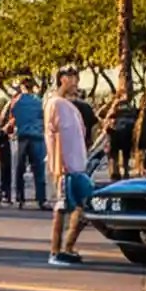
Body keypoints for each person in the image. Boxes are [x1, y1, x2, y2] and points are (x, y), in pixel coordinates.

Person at [45, 67, 90, 266]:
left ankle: (68, 247)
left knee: (85, 206)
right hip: (65, 167)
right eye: (73, 79)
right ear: (63, 79)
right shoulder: (55, 104)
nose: (76, 83)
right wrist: (60, 165)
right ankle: (55, 252)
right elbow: (53, 136)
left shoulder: (70, 106)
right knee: (63, 208)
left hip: (78, 166)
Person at [7, 77, 47, 210]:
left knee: (19, 169)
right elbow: (44, 117)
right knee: (39, 170)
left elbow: (11, 118)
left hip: (21, 137)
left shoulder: (16, 101)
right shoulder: (39, 101)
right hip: (37, 136)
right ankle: (41, 199)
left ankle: (19, 198)